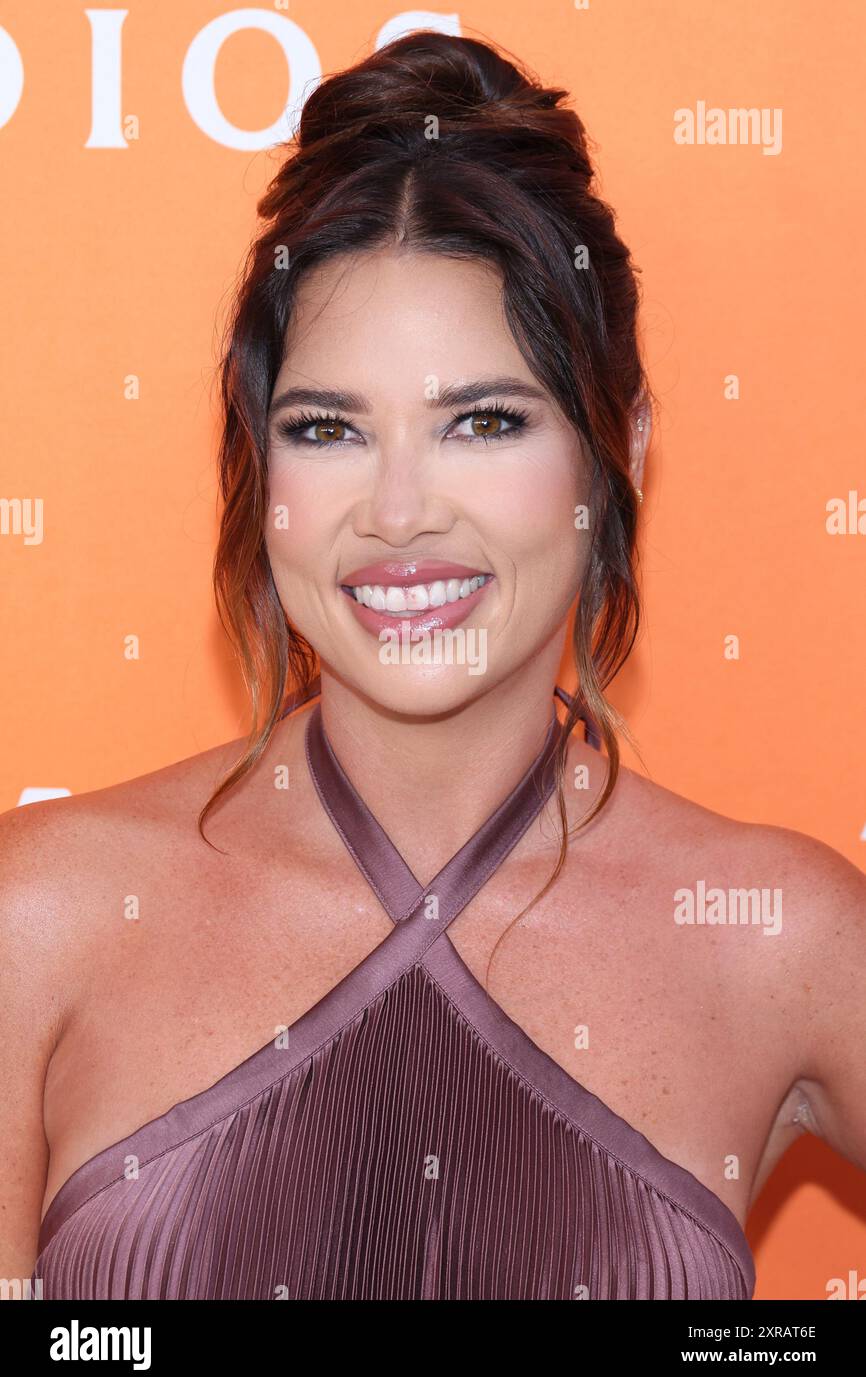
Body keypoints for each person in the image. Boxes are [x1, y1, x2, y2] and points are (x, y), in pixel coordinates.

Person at [2, 30, 864, 1301]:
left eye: (483, 420)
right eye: (329, 428)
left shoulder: (776, 937)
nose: (398, 512)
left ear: (613, 442)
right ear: (260, 464)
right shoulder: (39, 920)